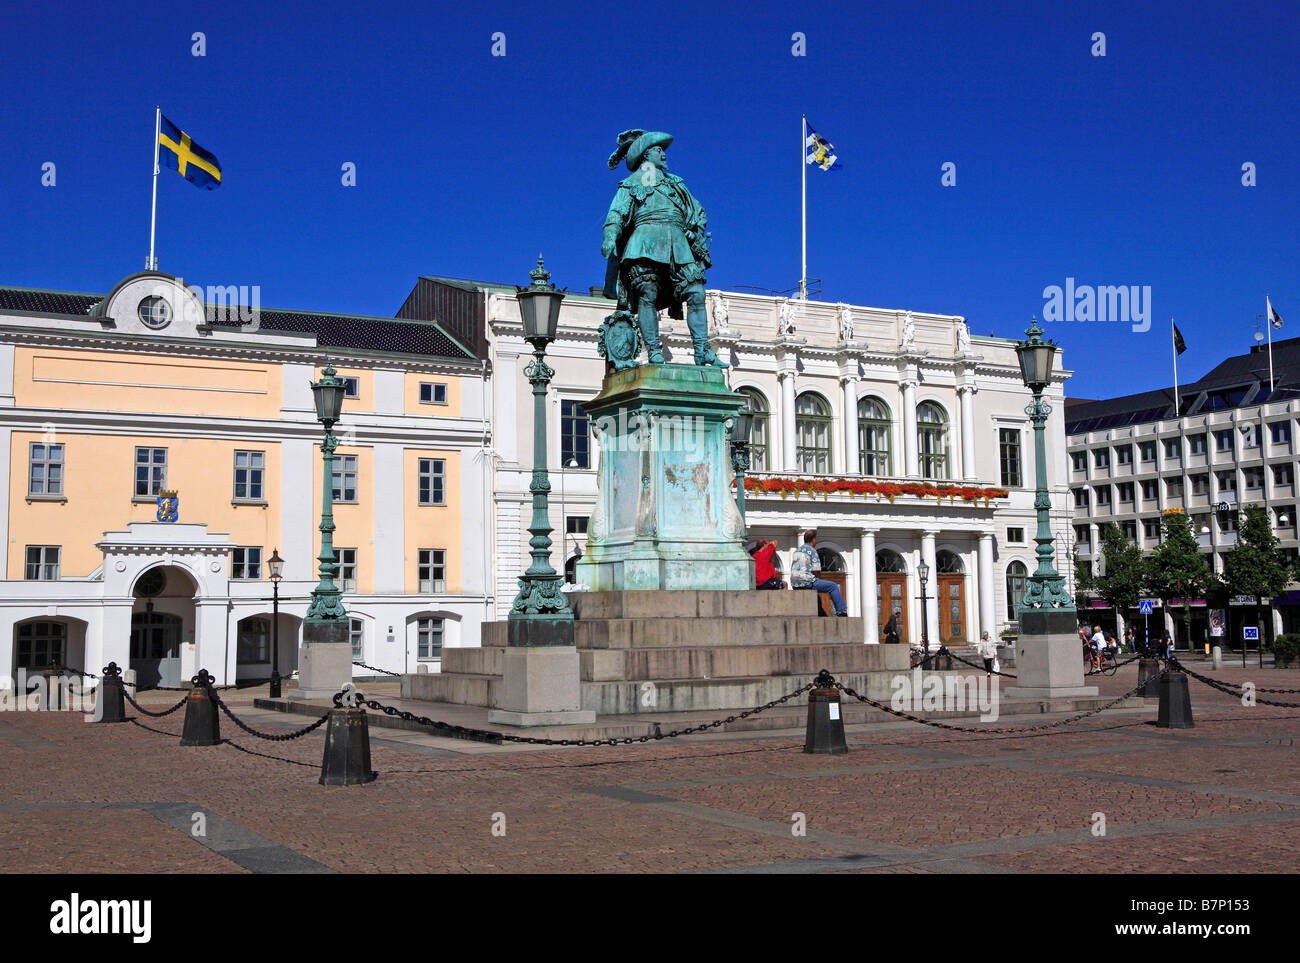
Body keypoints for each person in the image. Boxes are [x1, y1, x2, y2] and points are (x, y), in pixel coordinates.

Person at [602, 130, 726, 367]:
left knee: (696, 293)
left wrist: (694, 229)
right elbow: (616, 213)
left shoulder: (676, 183)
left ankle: (702, 349)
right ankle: (654, 351)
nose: (664, 154)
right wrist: (610, 236)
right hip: (644, 242)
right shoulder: (631, 184)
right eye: (659, 150)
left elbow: (697, 210)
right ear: (646, 154)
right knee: (647, 295)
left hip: (678, 244)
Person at [790, 529, 848, 617]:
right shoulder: (812, 551)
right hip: (806, 581)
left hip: (795, 583)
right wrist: (818, 579)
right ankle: (841, 611)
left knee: (816, 594)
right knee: (833, 586)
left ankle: (821, 613)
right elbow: (816, 570)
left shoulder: (797, 551)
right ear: (813, 539)